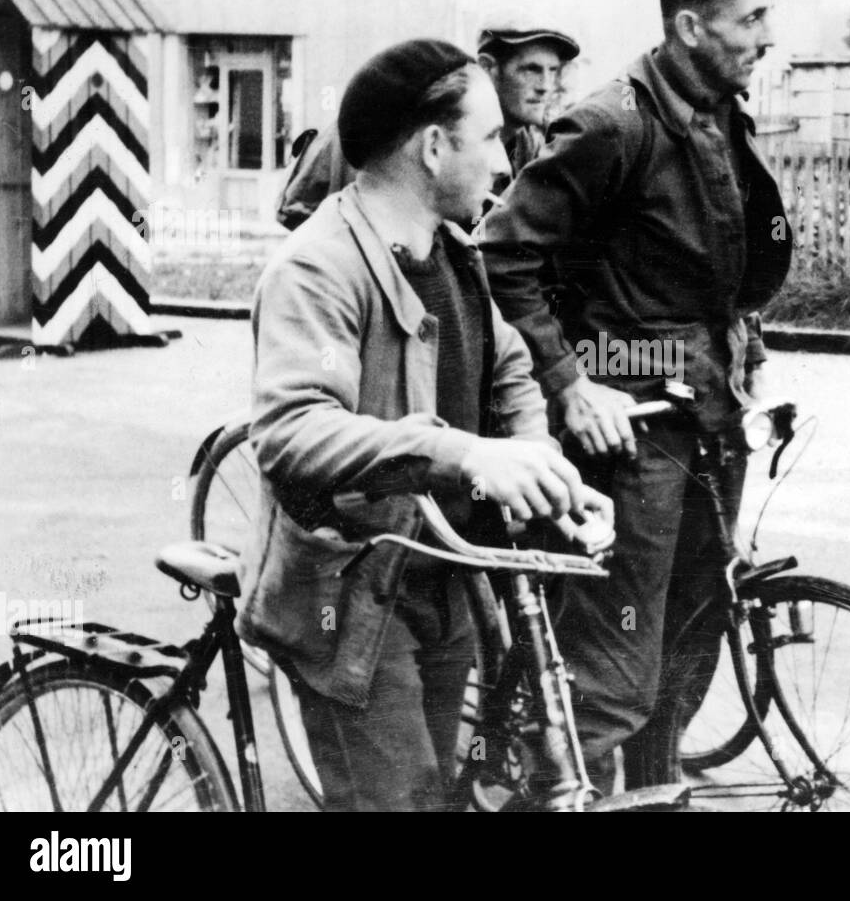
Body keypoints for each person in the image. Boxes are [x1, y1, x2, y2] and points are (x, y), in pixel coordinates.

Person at [236, 39, 612, 811]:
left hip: (443, 584)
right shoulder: (317, 267)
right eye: (492, 139)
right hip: (357, 599)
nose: (508, 165)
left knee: (441, 795)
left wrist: (542, 468)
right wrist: (460, 452)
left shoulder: (455, 254)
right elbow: (292, 430)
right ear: (434, 147)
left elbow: (508, 370)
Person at [477, 0, 790, 792]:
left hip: (708, 418)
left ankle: (654, 796)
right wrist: (569, 383)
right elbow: (502, 253)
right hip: (634, 435)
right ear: (691, 26)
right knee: (613, 674)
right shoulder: (614, 123)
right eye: (751, 19)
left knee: (693, 635)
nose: (767, 37)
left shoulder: (720, 110)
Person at [276, 22, 580, 229]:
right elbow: (303, 213)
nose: (545, 86)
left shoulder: (530, 145)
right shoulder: (403, 124)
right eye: (531, 70)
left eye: (553, 71)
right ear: (488, 67)